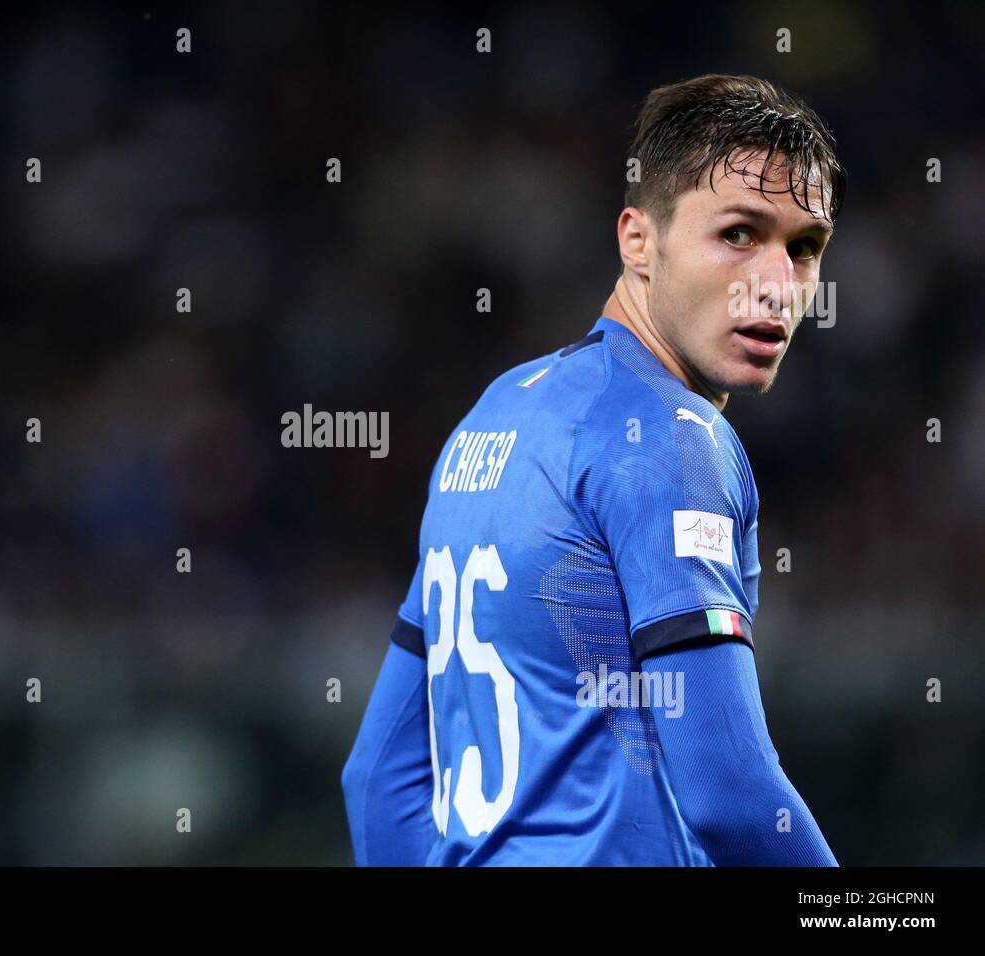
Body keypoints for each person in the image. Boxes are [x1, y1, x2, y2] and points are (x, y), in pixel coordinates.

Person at [342, 74, 844, 866]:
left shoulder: (497, 412)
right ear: (639, 240)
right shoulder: (671, 442)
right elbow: (729, 791)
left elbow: (378, 777)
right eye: (740, 234)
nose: (778, 284)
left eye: (805, 248)